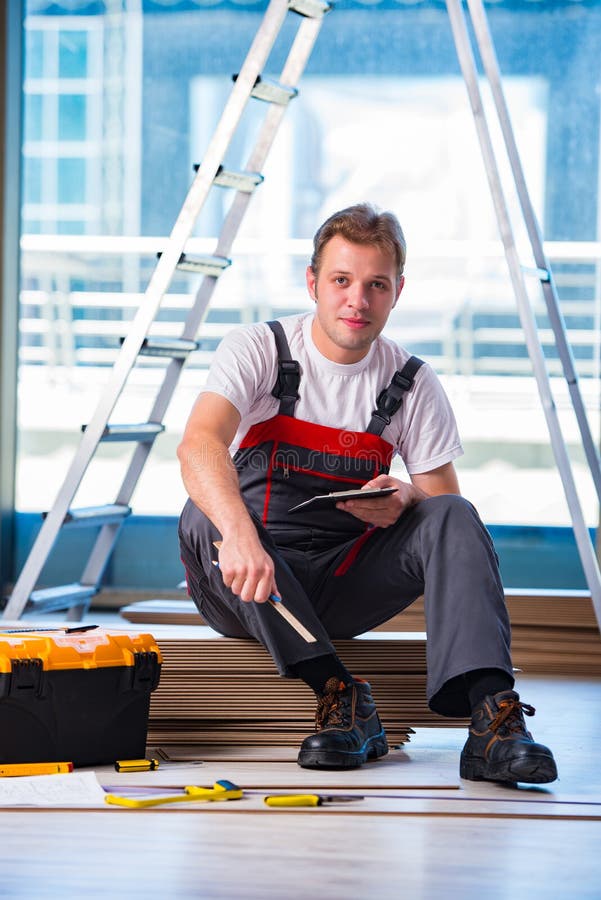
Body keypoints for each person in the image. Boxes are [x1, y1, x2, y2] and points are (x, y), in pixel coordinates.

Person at [177, 202, 557, 785]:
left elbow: (444, 517)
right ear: (313, 283)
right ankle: (340, 693)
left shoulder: (411, 382)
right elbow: (199, 444)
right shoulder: (259, 348)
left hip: (344, 582)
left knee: (454, 513)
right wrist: (239, 534)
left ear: (397, 291)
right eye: (341, 281)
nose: (358, 300)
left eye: (376, 285)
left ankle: (490, 717)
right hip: (249, 583)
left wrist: (404, 497)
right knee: (202, 516)